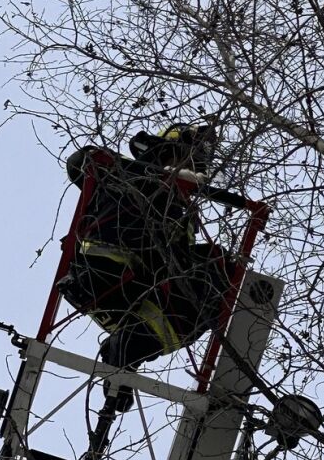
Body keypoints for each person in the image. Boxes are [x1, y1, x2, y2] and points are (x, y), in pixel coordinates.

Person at [58, 124, 236, 369]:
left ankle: (125, 356)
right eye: (187, 160)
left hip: (131, 292)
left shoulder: (180, 218)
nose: (192, 172)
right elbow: (81, 161)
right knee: (215, 267)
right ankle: (126, 351)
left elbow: (178, 263)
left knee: (217, 270)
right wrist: (156, 167)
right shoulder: (129, 175)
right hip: (100, 273)